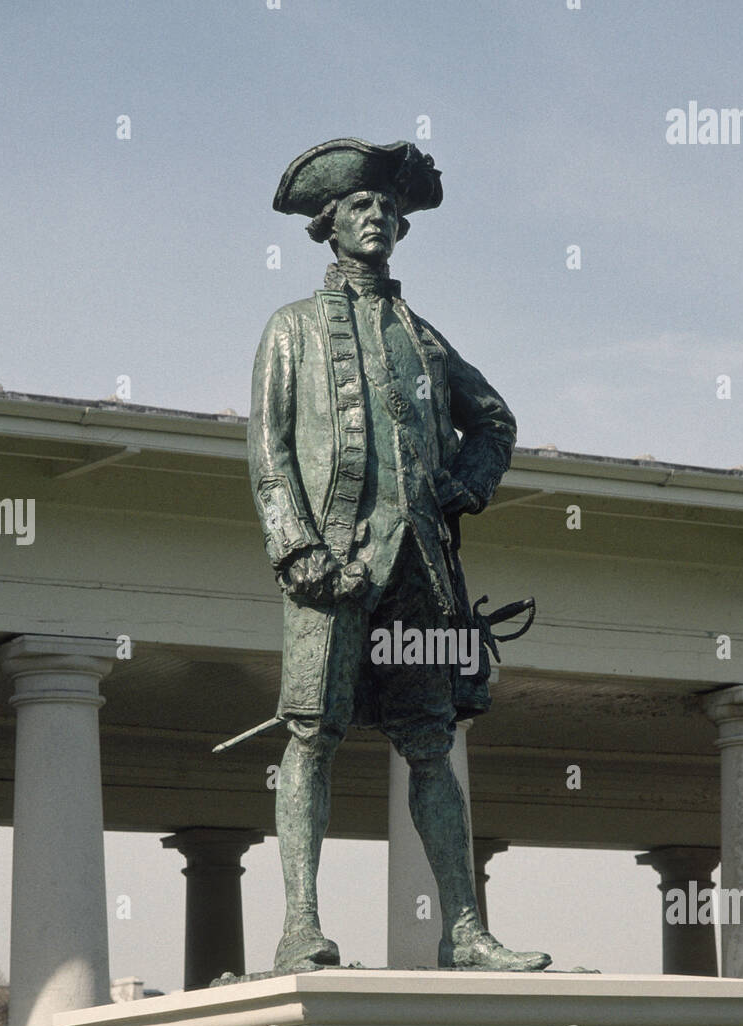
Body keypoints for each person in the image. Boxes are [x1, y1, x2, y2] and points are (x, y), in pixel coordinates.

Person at [249, 137, 550, 974]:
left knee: (429, 742)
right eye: (360, 207)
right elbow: (270, 453)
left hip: (422, 567)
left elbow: (493, 420)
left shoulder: (423, 338)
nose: (376, 216)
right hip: (329, 569)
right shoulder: (291, 330)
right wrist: (297, 549)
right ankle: (300, 927)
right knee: (312, 736)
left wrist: (464, 486)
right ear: (329, 225)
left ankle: (463, 930)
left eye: (387, 208)